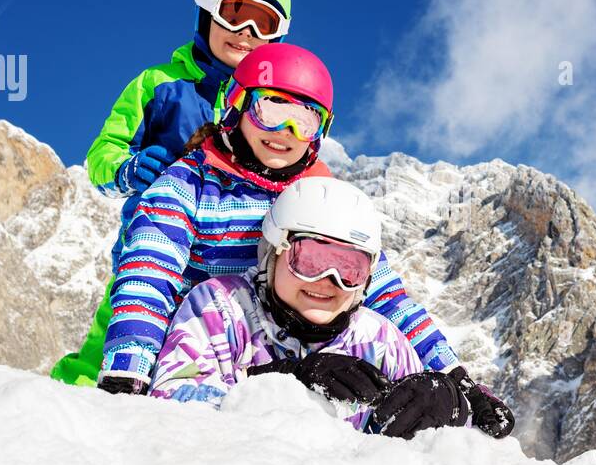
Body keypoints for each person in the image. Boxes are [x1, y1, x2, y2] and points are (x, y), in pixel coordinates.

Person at [96, 43, 514, 438]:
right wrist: (128, 375)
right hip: (206, 344)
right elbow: (149, 275)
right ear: (238, 104)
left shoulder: (318, 197)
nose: (285, 131)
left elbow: (387, 295)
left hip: (300, 342)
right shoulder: (187, 184)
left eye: (305, 120)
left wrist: (460, 383)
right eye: (270, 110)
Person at [50, 0, 293, 386]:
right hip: (156, 250)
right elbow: (102, 153)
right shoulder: (158, 85)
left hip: (233, 265)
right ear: (207, 10)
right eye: (235, 14)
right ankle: (75, 400)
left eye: (263, 24)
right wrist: (127, 171)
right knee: (123, 335)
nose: (246, 34)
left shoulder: (272, 108)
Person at [151, 178, 475, 440]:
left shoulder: (378, 340)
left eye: (350, 269)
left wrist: (449, 411)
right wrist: (282, 381)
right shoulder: (221, 308)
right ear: (273, 252)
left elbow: (441, 461)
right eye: (310, 260)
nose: (328, 281)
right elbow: (170, 408)